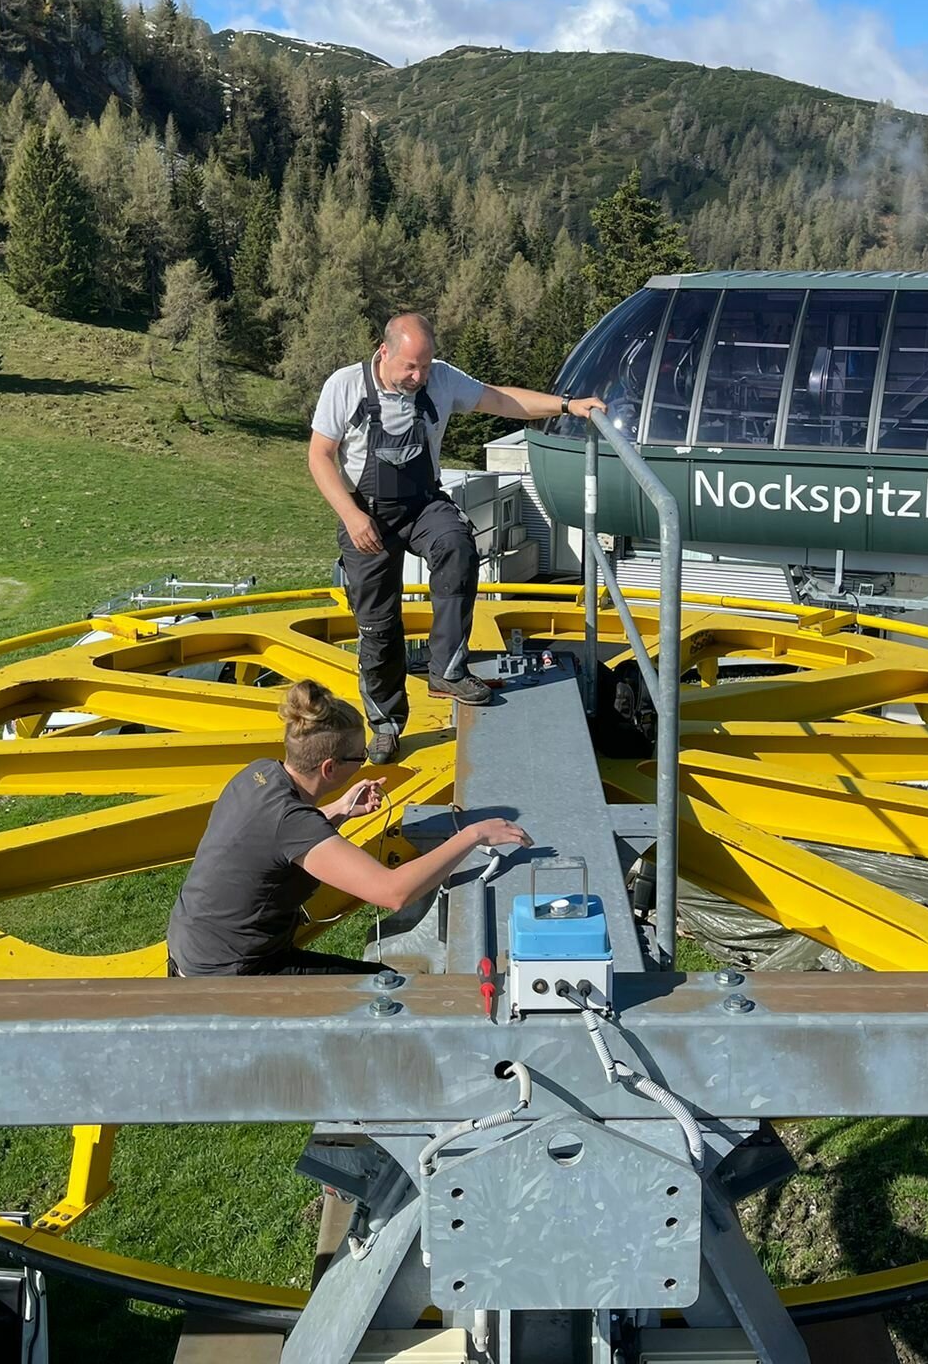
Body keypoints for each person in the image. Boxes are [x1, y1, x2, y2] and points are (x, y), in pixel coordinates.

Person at [309, 313, 605, 764]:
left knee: (457, 545)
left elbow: (502, 401)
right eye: (410, 366)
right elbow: (319, 456)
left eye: (425, 366)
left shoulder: (441, 381)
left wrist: (567, 405)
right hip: (365, 512)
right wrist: (351, 516)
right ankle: (386, 724)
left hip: (423, 503)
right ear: (383, 351)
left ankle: (446, 668)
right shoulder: (345, 387)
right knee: (378, 626)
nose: (418, 376)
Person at [165, 679, 532, 977]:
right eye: (361, 756)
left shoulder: (258, 774)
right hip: (231, 975)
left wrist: (340, 810)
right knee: (389, 991)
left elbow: (273, 839)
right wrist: (472, 835)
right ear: (329, 768)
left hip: (191, 950)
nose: (365, 762)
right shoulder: (292, 823)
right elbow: (392, 892)